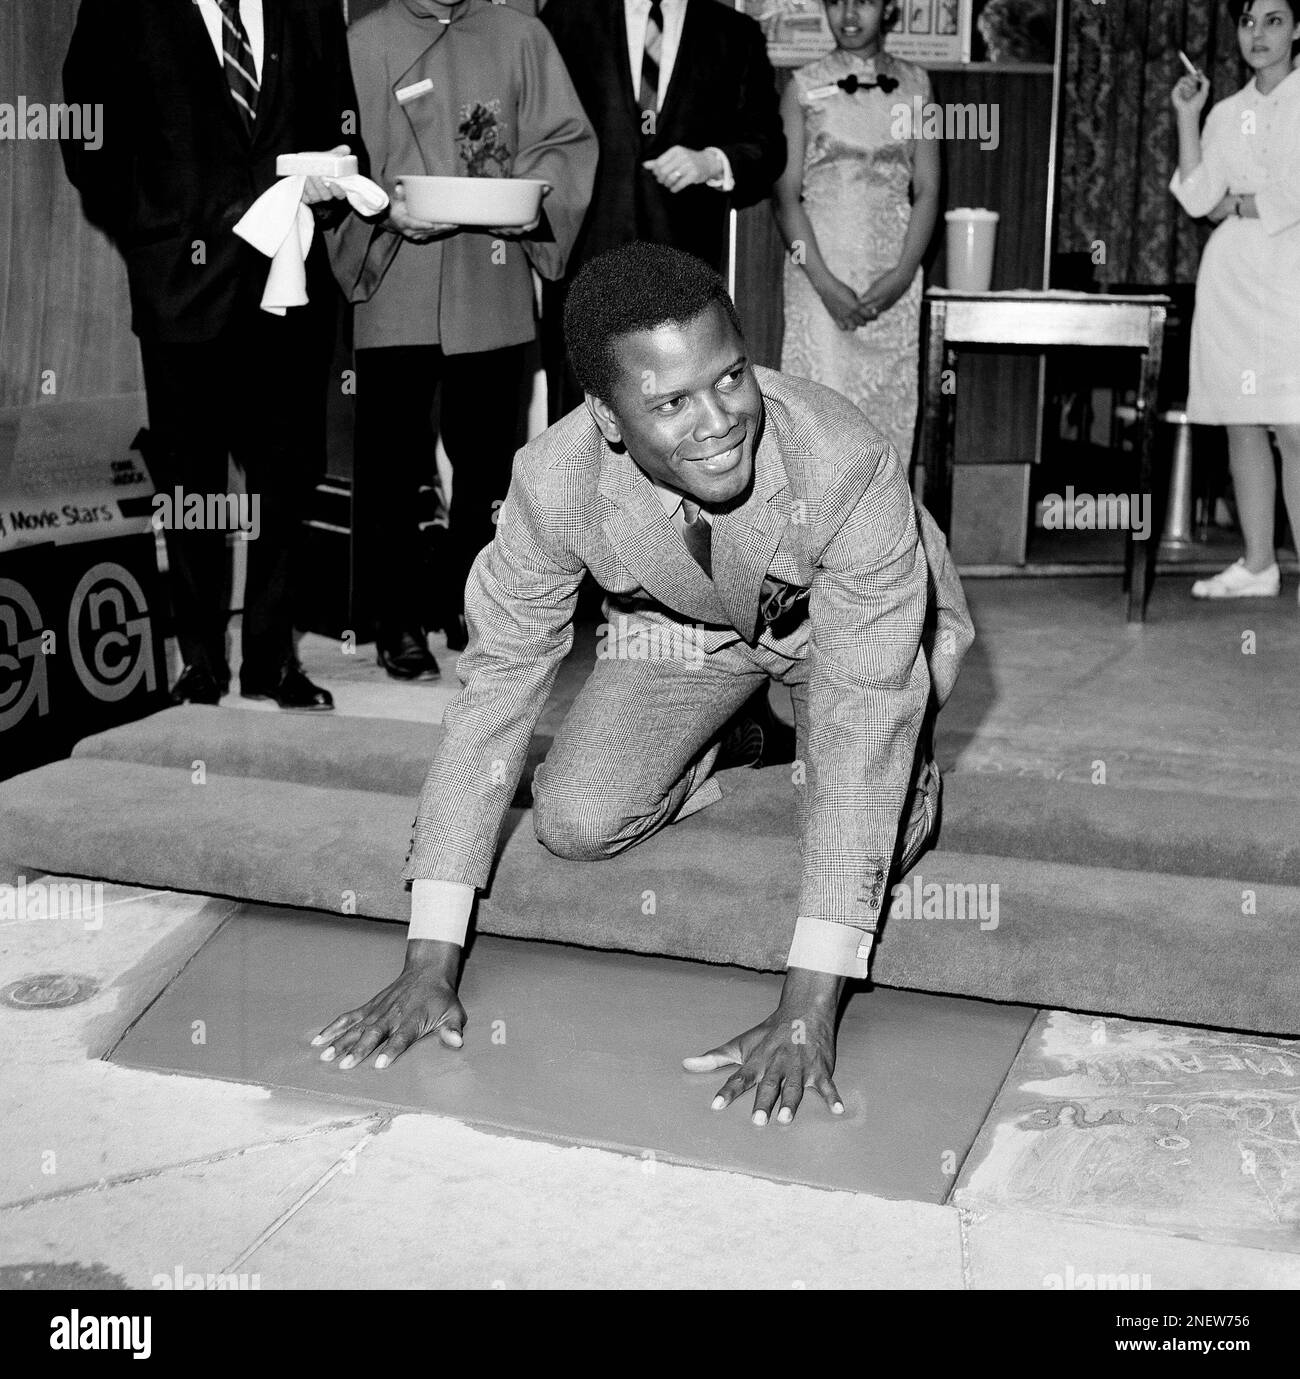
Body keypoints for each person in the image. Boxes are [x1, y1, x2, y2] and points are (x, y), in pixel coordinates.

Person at [314, 241, 975, 1127]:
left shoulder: (843, 461)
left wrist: (807, 1009)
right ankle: (746, 734)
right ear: (608, 416)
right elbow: (495, 692)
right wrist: (429, 960)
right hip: (685, 630)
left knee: (865, 819)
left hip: (850, 643)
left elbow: (862, 714)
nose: (719, 419)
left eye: (731, 376)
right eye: (671, 401)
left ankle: (895, 772)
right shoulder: (553, 482)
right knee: (574, 818)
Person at [62, 0, 366, 709]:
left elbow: (342, 126)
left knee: (286, 477)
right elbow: (88, 137)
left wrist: (334, 185)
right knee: (192, 481)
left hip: (288, 285)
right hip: (181, 284)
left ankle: (273, 659)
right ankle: (199, 661)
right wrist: (155, 228)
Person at [328, 0, 597, 673]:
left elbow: (566, 143)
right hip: (397, 286)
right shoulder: (363, 42)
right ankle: (396, 622)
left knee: (487, 468)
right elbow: (335, 158)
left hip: (492, 282)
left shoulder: (522, 36)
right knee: (390, 467)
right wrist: (382, 212)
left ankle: (466, 602)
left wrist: (530, 204)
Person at [539, 0, 787, 417]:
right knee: (578, 414)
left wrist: (711, 161)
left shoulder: (734, 32)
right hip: (584, 259)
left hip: (684, 267)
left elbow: (767, 145)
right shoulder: (566, 17)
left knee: (683, 408)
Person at [1171, 0, 1300, 601]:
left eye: (1273, 20)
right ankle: (1257, 564)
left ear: (1298, 28)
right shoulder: (1226, 111)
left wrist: (1244, 203)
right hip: (1232, 277)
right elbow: (1199, 199)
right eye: (1248, 22)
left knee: (1294, 423)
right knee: (1241, 420)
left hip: (1291, 274)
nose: (1258, 34)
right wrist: (1188, 117)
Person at [775, 0, 940, 465]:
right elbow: (786, 197)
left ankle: (883, 534)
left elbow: (927, 189)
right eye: (836, 1)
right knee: (820, 419)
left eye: (863, 1)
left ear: (888, 7)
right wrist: (825, 285)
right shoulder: (802, 86)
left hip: (894, 272)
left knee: (888, 417)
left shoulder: (917, 84)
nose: (848, 14)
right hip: (820, 274)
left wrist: (904, 273)